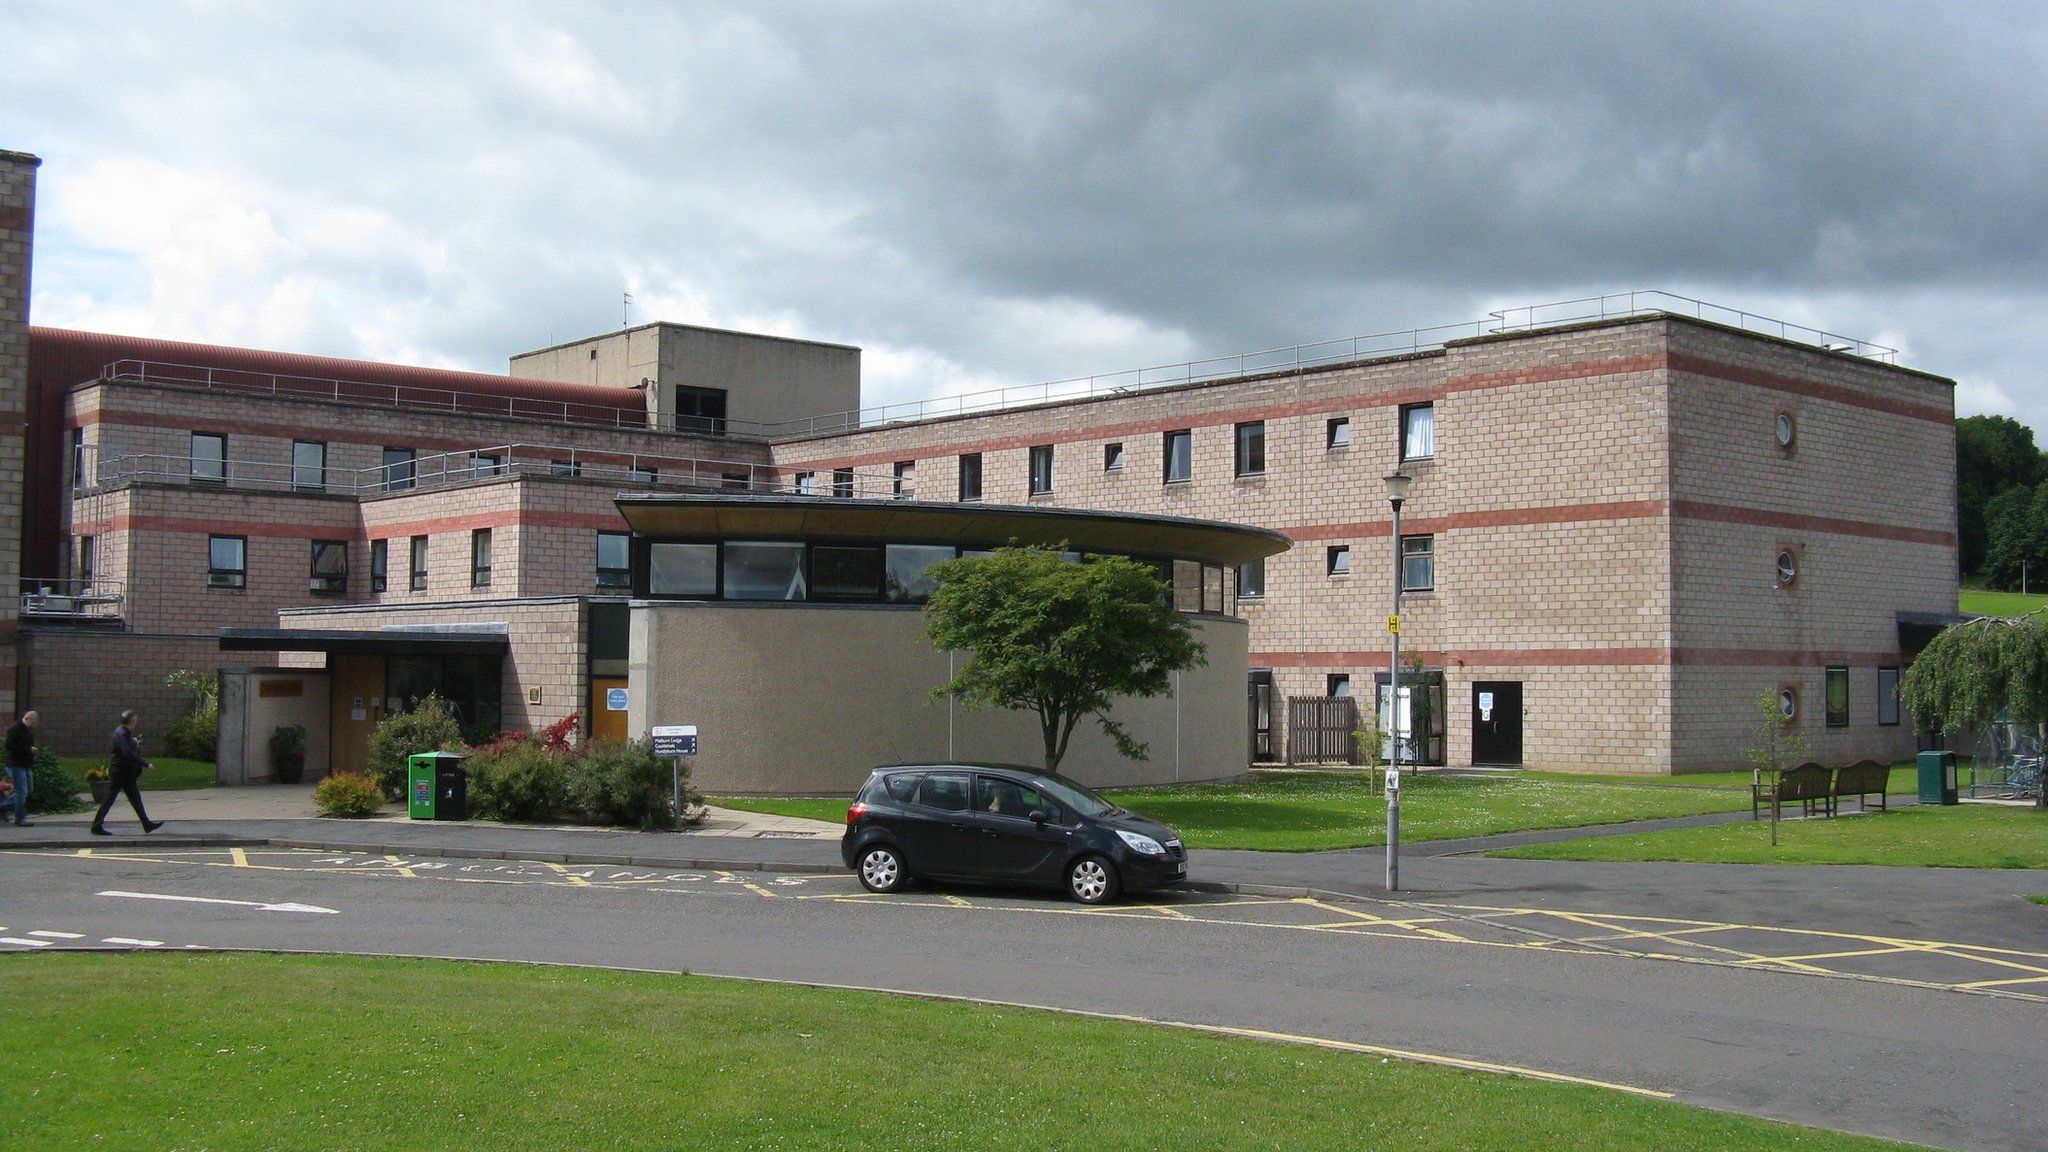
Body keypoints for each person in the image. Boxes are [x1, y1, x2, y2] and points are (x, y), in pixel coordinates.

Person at [92, 709, 162, 835]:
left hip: (125, 772)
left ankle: (147, 824)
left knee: (135, 798)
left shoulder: (123, 732)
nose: (136, 722)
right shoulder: (122, 733)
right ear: (132, 721)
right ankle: (96, 826)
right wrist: (145, 764)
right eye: (135, 720)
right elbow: (127, 753)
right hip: (120, 772)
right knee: (110, 798)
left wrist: (135, 743)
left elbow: (127, 749)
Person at [4, 709, 36, 827]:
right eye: (33, 722)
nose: (34, 725)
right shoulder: (15, 729)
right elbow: (9, 746)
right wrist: (28, 749)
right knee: (22, 791)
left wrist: (31, 750)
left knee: (28, 790)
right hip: (16, 764)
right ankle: (20, 818)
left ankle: (3, 807)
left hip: (25, 764)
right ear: (26, 719)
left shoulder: (28, 730)